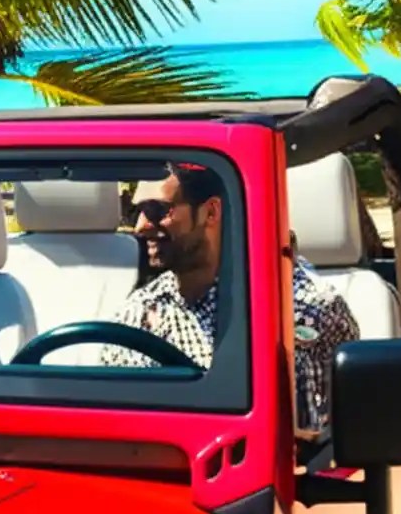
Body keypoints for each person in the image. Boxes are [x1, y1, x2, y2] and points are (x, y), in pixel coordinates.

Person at [100, 162, 360, 431]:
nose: (140, 227)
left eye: (156, 210)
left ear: (211, 212)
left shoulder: (304, 308)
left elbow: (354, 427)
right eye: (137, 211)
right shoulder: (136, 315)